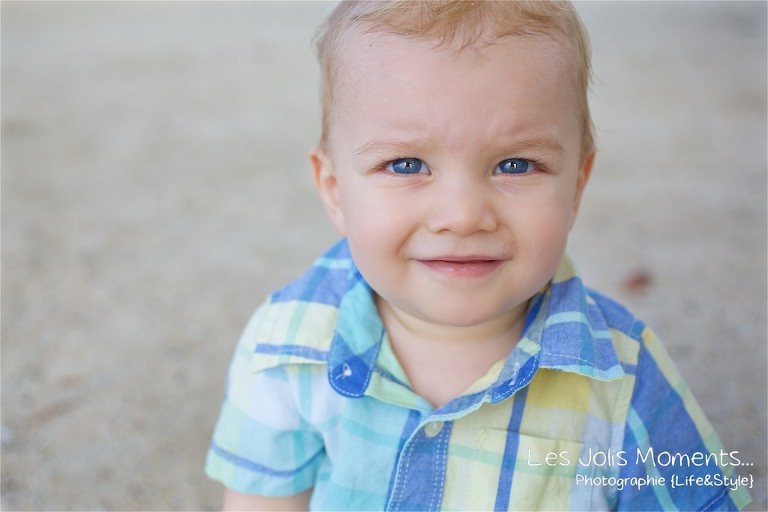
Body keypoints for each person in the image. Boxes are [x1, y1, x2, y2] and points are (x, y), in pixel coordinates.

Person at [205, 1, 752, 510]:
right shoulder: (288, 349)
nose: (463, 215)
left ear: (576, 187)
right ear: (333, 190)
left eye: (515, 165)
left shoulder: (623, 380)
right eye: (405, 165)